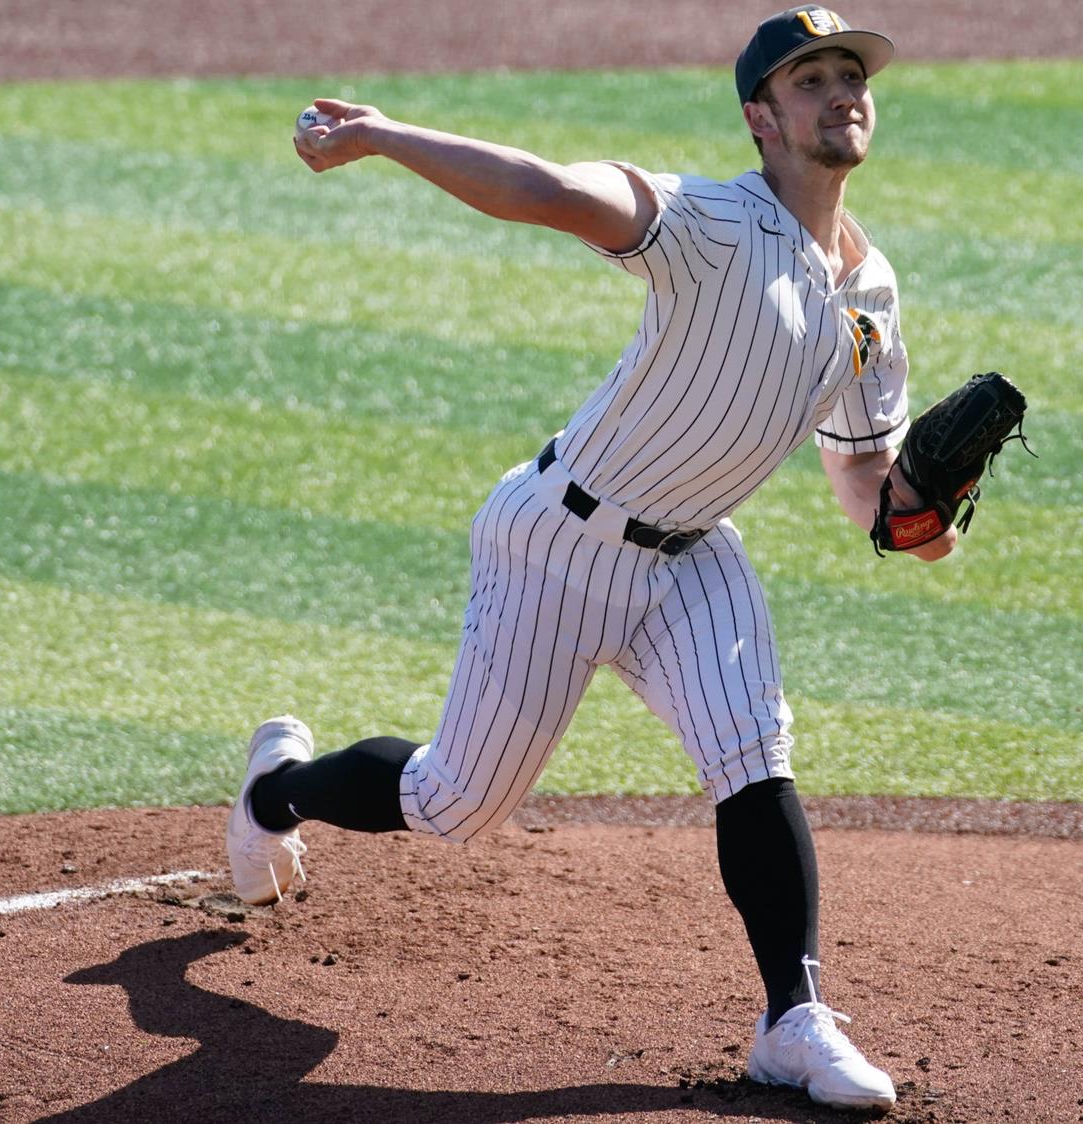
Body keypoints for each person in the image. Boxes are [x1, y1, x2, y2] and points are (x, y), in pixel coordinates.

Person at [226, 6, 951, 1110]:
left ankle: (792, 1020)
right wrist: (383, 135)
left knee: (753, 752)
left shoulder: (872, 291)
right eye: (809, 80)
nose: (841, 92)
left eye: (851, 74)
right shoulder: (707, 220)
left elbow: (863, 477)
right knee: (453, 802)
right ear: (760, 118)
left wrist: (919, 519)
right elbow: (548, 189)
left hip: (693, 559)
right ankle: (275, 792)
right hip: (557, 543)